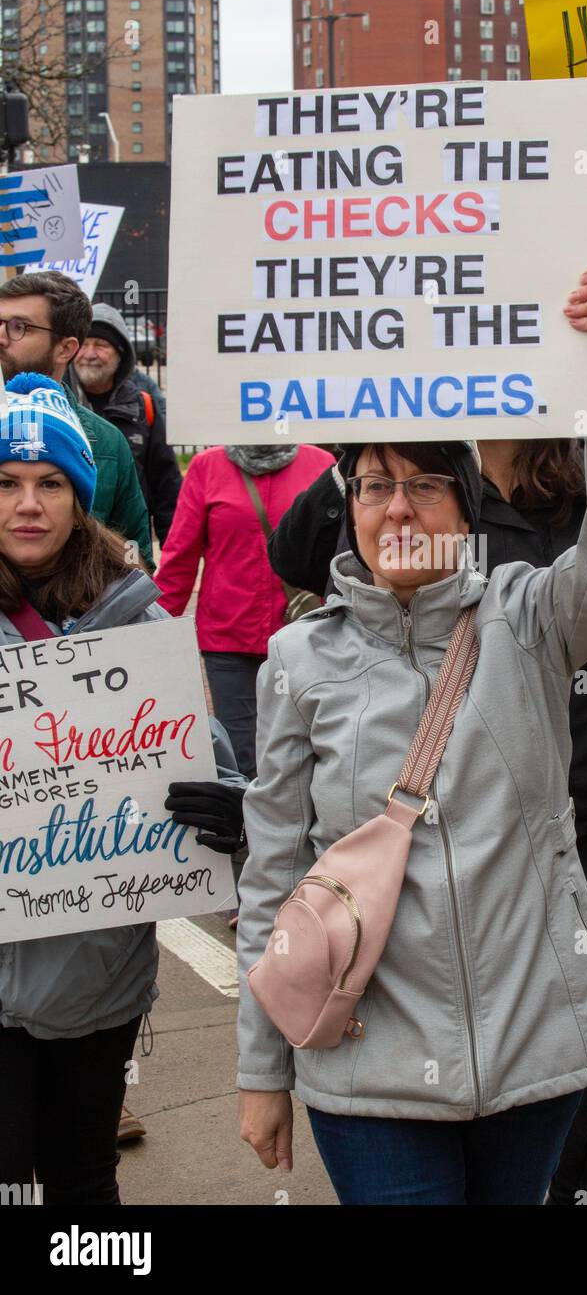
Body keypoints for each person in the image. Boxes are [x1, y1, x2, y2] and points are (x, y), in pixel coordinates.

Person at [234, 263, 587, 1206]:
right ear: (347, 511)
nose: (399, 507)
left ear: (465, 511)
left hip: (529, 1057)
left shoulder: (529, 617)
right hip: (368, 1073)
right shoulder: (297, 662)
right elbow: (272, 872)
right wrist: (261, 1069)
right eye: (375, 485)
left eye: (427, 485)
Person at [0, 373, 244, 1204]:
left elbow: (208, 762)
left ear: (78, 498)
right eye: (5, 483)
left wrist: (234, 813)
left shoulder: (137, 625)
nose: (27, 504)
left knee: (82, 1180)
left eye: (50, 483)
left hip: (93, 978)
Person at [154, 440, 334, 923]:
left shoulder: (322, 464)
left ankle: (306, 877)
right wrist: (149, 643)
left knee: (303, 760)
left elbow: (340, 553)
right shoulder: (208, 467)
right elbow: (179, 557)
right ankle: (254, 887)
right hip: (228, 641)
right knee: (247, 764)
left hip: (306, 643)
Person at [0, 271, 153, 568]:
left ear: (66, 348)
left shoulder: (105, 441)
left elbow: (136, 559)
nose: (2, 337)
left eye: (19, 327)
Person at [66, 303, 182, 546]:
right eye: (84, 344)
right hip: (68, 546)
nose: (89, 353)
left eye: (101, 345)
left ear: (121, 355)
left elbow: (166, 486)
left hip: (126, 547)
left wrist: (172, 550)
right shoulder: (59, 406)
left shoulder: (144, 408)